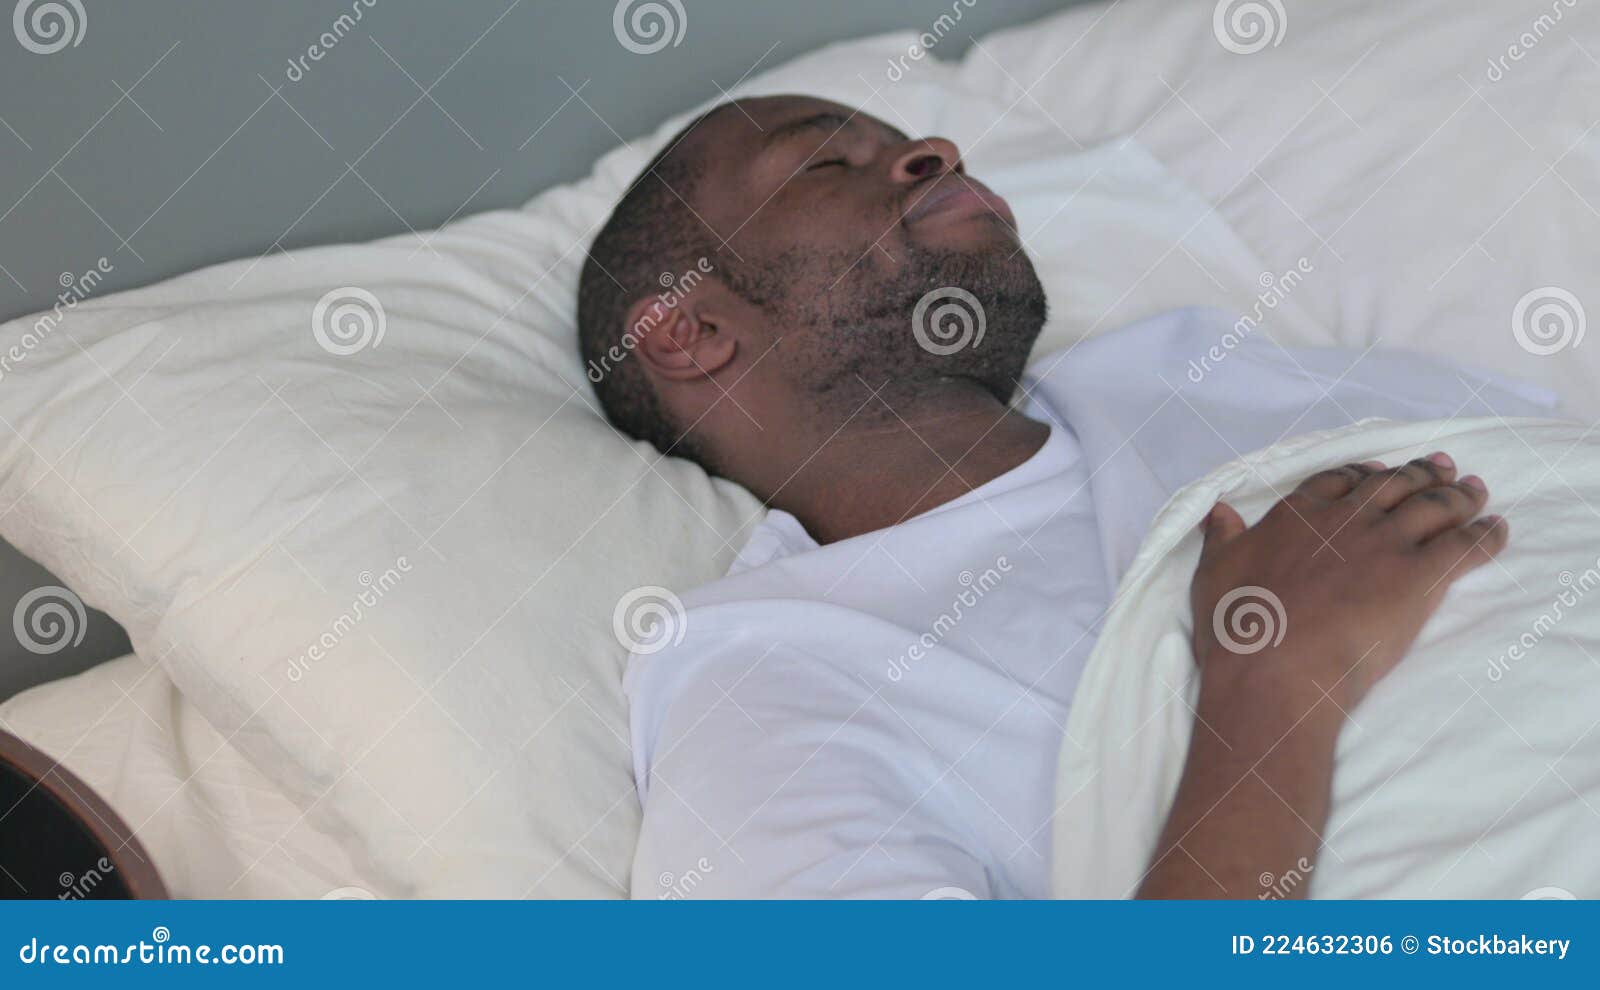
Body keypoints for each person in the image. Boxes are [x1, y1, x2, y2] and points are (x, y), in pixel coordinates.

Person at [576, 95, 1558, 898]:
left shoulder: (1196, 368)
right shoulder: (769, 689)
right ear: (687, 332)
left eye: (911, 139)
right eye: (823, 164)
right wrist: (1275, 680)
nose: (933, 150)